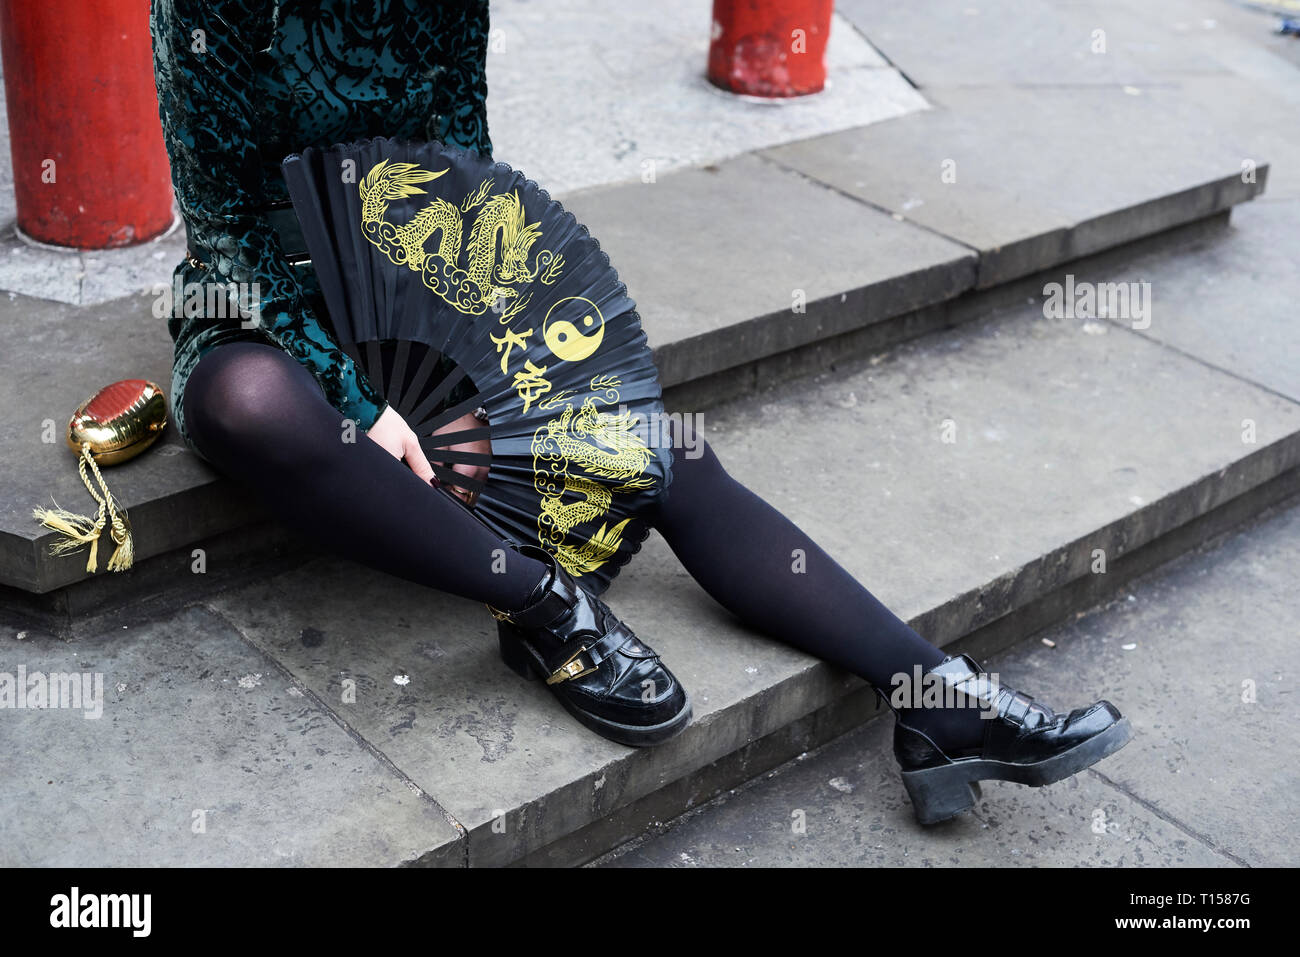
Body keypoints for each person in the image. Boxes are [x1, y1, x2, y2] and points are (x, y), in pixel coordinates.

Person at [150, 0, 1131, 826]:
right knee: (252, 401)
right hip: (262, 307)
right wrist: (355, 395)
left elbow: (455, 171)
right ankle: (541, 606)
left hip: (408, 299)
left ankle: (934, 700)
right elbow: (227, 232)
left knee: (658, 448)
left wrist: (470, 345)